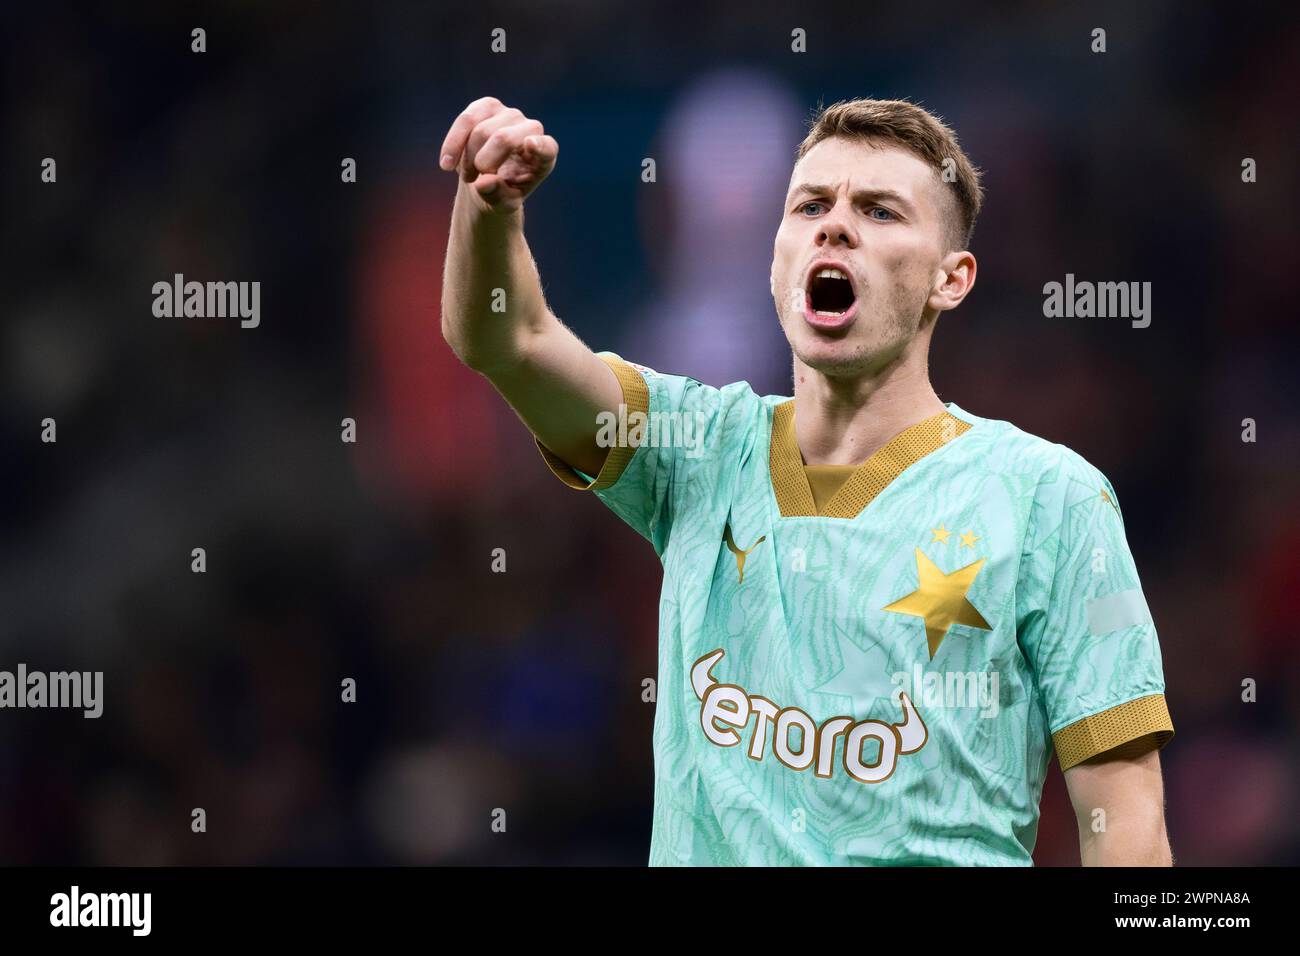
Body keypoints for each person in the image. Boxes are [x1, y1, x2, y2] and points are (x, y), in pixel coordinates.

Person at [438, 95, 1174, 866]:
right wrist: (489, 204)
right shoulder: (696, 448)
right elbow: (507, 340)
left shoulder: (1052, 499)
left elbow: (1127, 827)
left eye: (881, 211)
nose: (836, 224)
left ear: (950, 279)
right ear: (778, 257)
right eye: (811, 204)